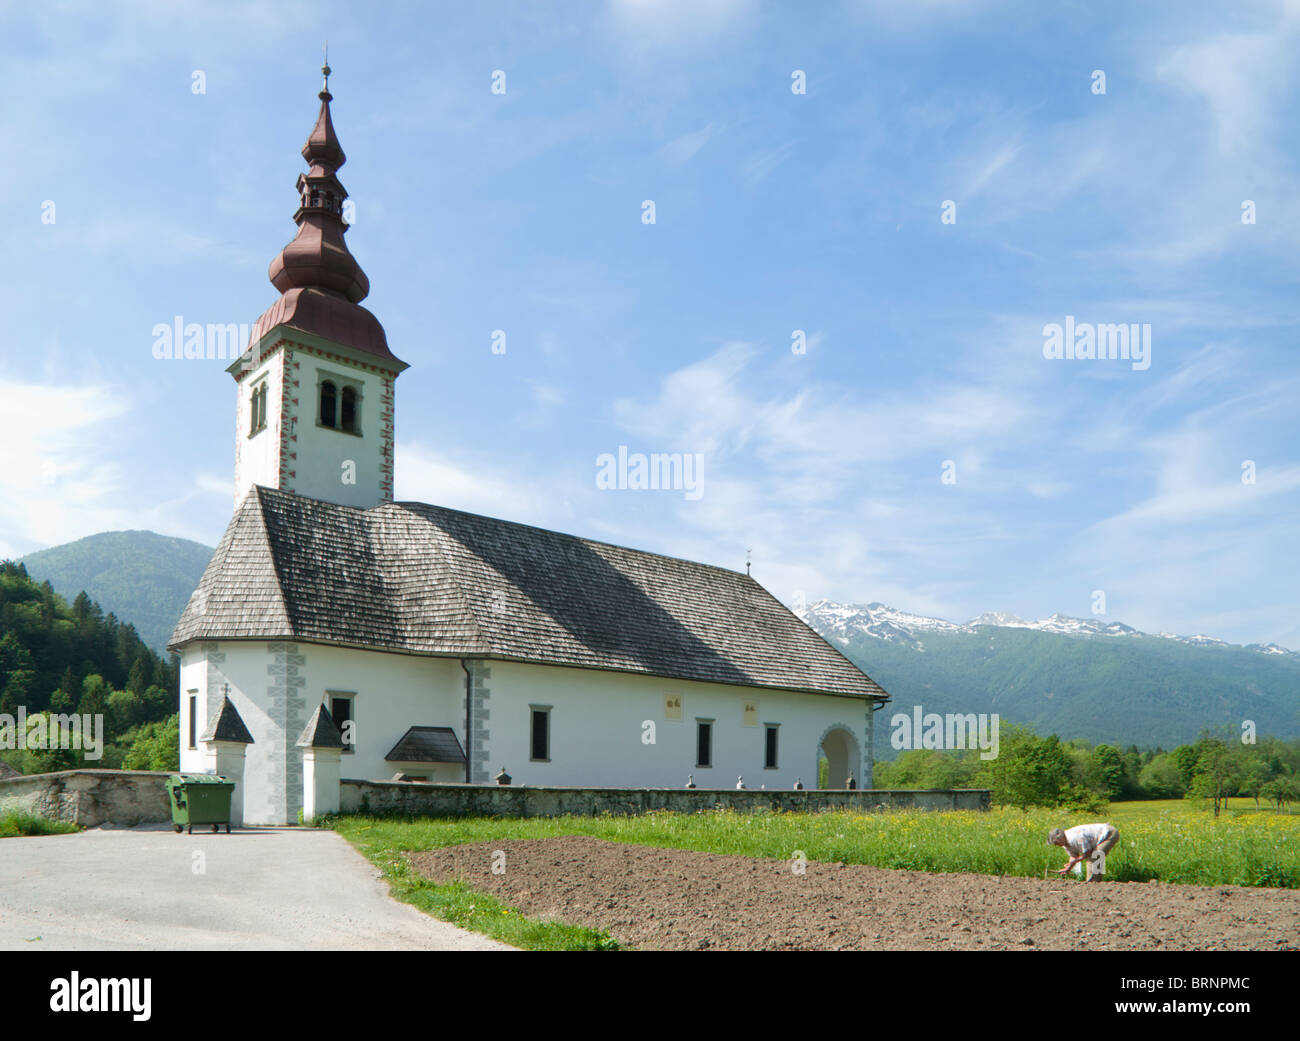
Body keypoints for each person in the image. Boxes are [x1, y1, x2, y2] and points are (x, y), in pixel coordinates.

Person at [1049, 822, 1119, 880]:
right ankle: (1096, 882)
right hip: (1099, 837)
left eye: (1056, 843)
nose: (1056, 845)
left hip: (1109, 834)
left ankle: (1093, 883)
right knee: (1095, 856)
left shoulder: (1075, 837)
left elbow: (1087, 853)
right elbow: (1074, 856)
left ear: (1060, 838)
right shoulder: (1065, 843)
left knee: (1094, 856)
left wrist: (1075, 861)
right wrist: (1068, 868)